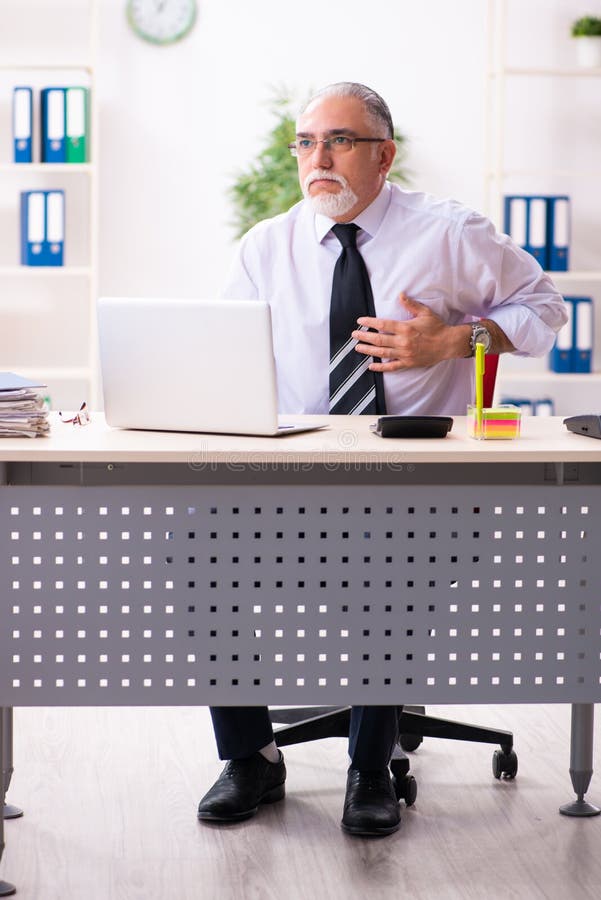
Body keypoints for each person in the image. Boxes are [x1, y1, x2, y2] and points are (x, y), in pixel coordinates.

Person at [197, 82, 567, 836]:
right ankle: (250, 758)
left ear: (383, 155)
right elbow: (220, 361)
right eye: (305, 143)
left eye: (338, 141)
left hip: (418, 480)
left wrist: (455, 340)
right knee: (197, 546)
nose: (317, 159)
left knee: (386, 554)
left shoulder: (448, 234)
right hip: (295, 480)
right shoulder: (268, 245)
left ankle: (371, 771)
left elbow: (544, 309)